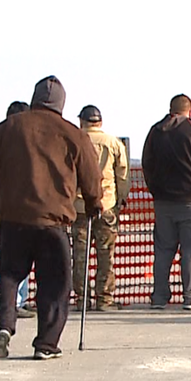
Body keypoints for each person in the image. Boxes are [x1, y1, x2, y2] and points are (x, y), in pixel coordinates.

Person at [0, 76, 103, 360]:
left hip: (13, 219)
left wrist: (0, 187)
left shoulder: (9, 127)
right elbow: (92, 178)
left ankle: (5, 326)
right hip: (53, 223)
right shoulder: (74, 135)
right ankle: (46, 343)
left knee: (9, 275)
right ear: (61, 103)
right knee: (55, 284)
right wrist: (94, 203)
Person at [142, 94, 191, 310]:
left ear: (170, 109)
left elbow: (147, 164)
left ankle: (159, 297)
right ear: (189, 111)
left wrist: (155, 191)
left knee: (163, 250)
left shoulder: (155, 132)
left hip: (163, 202)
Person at [72, 105, 130, 312]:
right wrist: (120, 199)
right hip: (107, 205)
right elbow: (122, 175)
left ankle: (82, 299)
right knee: (106, 255)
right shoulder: (113, 143)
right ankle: (104, 299)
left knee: (80, 256)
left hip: (79, 206)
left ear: (82, 121)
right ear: (100, 122)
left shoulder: (74, 141)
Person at [3, 101, 36, 320]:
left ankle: (16, 302)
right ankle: (16, 302)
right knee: (24, 260)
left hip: (9, 209)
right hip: (30, 208)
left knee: (12, 261)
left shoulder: (3, 139)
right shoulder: (29, 142)